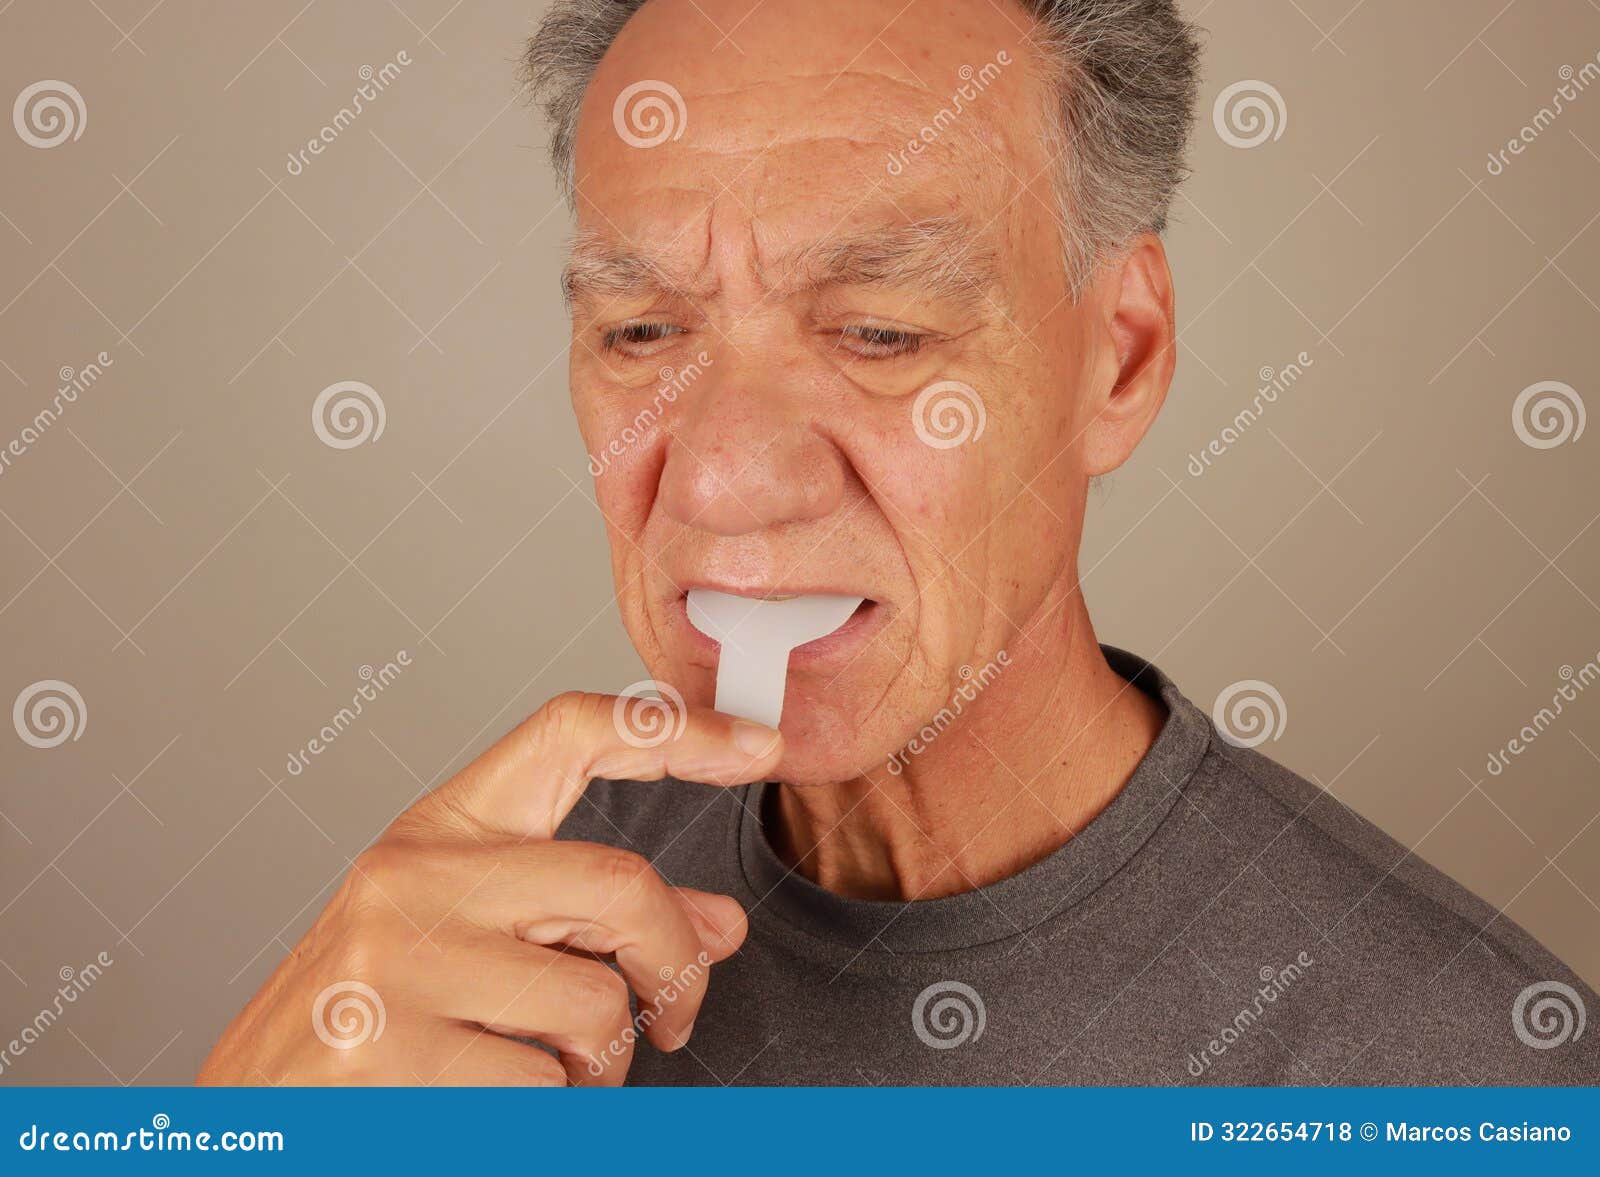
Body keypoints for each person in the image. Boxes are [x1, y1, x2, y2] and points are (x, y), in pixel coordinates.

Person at [199, 0, 1598, 1086]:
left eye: (881, 332)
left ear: (1121, 358)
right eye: (640, 331)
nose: (729, 481)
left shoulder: (1455, 1067)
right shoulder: (518, 919)